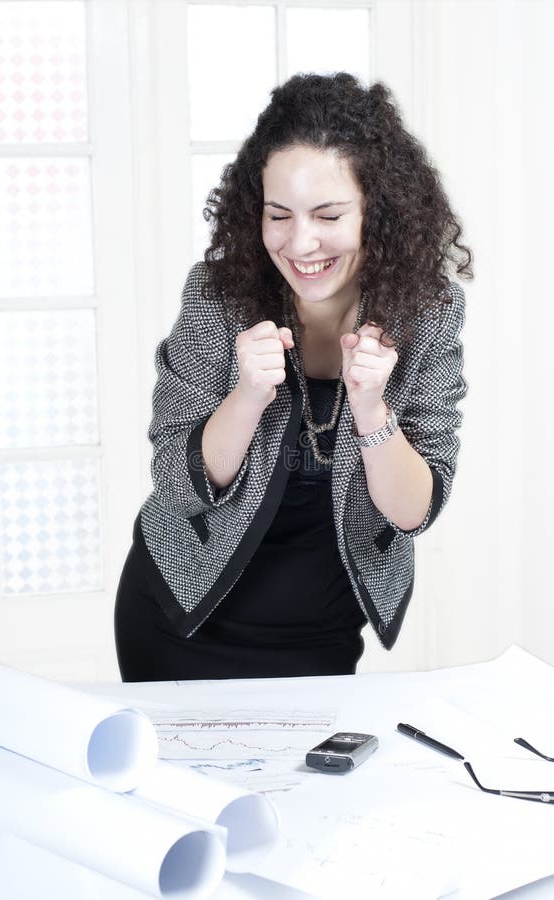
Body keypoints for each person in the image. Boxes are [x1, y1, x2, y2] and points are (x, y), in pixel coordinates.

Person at [115, 72, 472, 682]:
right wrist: (246, 396)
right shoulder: (217, 295)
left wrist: (371, 409)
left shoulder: (427, 312)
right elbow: (178, 482)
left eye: (328, 214)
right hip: (181, 620)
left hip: (323, 637)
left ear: (376, 213)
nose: (300, 243)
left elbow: (413, 512)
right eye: (279, 215)